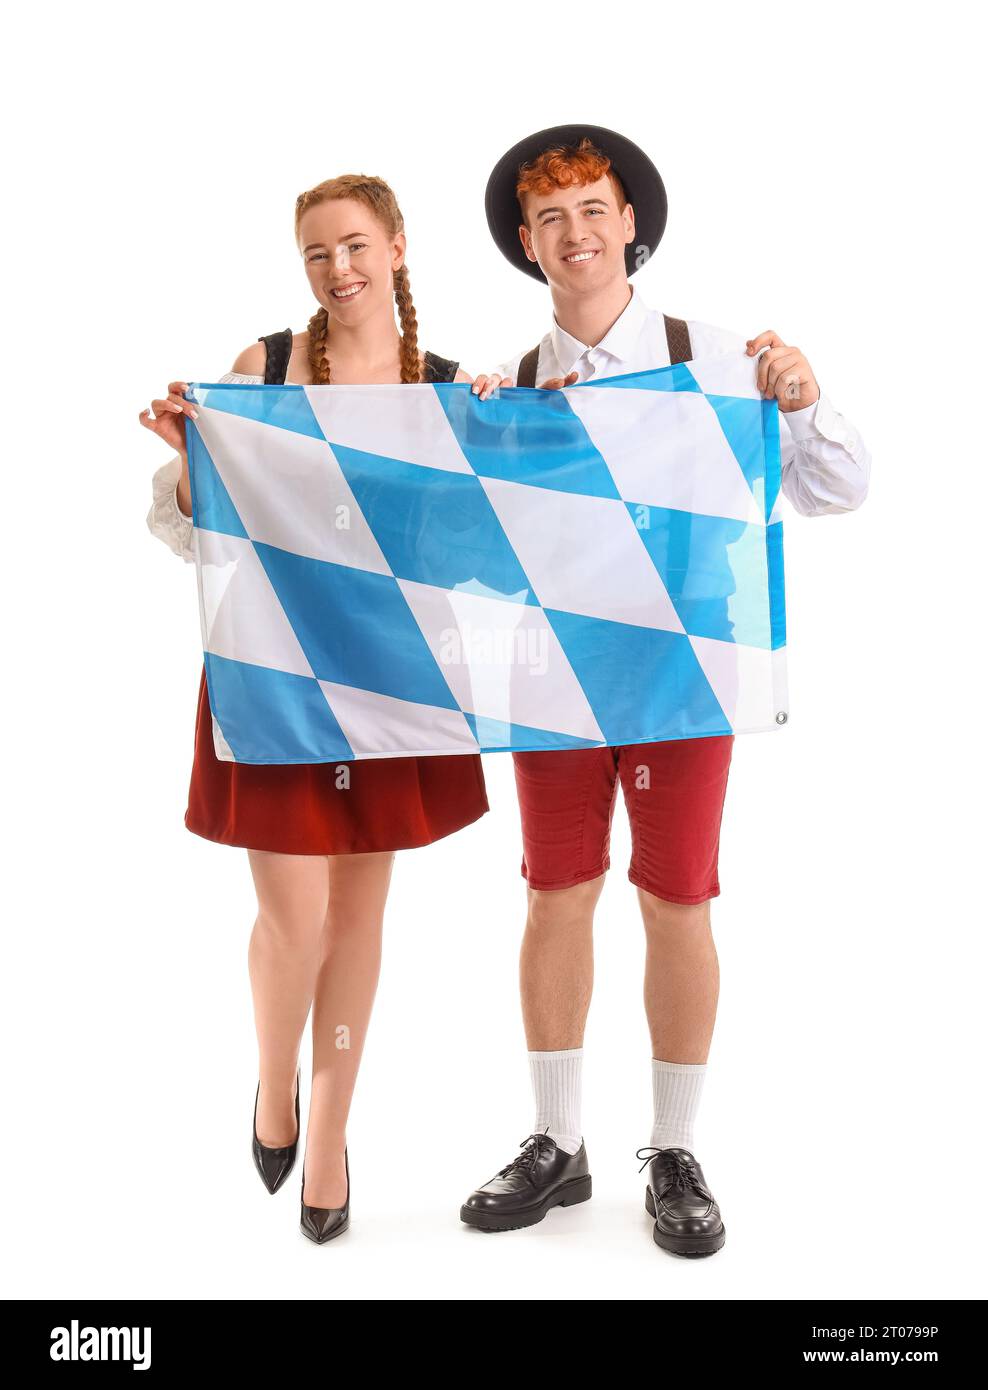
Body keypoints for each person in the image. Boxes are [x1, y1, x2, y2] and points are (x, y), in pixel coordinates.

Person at [459, 125, 871, 1255]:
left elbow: (840, 489)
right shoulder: (513, 387)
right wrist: (473, 445)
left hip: (688, 674)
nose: (574, 233)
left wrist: (799, 396)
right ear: (528, 245)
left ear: (629, 218)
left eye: (591, 208)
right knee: (553, 892)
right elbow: (476, 552)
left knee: (676, 897)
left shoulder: (724, 358)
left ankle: (676, 1147)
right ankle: (558, 1140)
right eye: (549, 219)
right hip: (553, 678)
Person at [141, 173, 498, 1244]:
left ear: (394, 246)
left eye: (352, 245)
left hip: (388, 677)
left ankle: (332, 1132)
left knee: (358, 917)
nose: (335, 268)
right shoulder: (269, 366)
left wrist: (494, 445)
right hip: (274, 668)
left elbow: (469, 556)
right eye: (314, 253)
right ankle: (272, 1083)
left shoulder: (445, 386)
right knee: (292, 921)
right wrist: (193, 471)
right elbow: (197, 528)